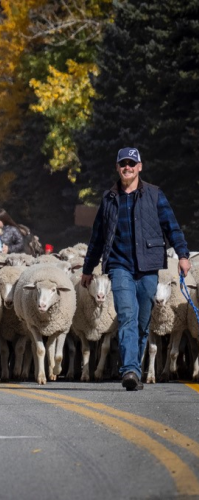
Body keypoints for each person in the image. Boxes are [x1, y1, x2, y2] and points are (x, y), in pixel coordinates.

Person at [81, 147, 191, 392]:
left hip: (149, 265)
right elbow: (97, 236)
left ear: (140, 166)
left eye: (132, 163)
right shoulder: (109, 198)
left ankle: (135, 369)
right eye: (123, 163)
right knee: (127, 314)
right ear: (117, 167)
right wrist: (88, 268)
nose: (127, 167)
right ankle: (130, 369)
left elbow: (172, 226)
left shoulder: (154, 194)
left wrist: (182, 255)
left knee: (142, 321)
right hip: (119, 266)